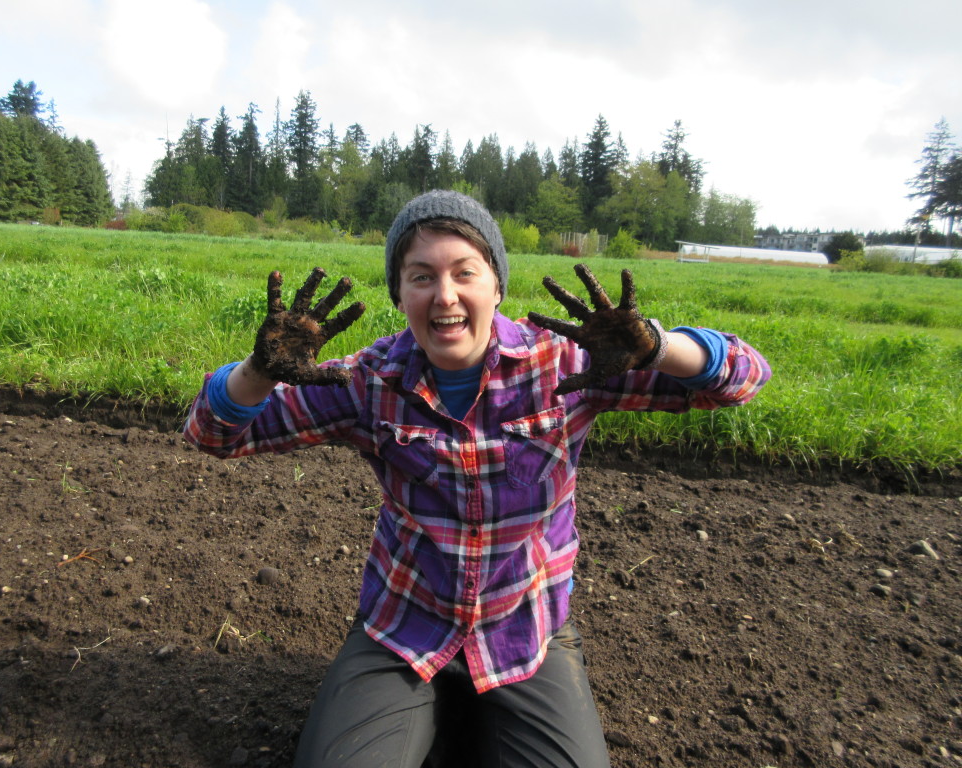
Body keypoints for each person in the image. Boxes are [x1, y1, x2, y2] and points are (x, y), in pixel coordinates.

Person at [183, 190, 771, 767]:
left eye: (466, 272)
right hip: (404, 625)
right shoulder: (368, 383)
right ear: (399, 293)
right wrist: (258, 373)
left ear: (496, 283)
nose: (446, 296)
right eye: (421, 276)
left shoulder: (565, 366)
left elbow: (744, 377)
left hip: (526, 629)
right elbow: (213, 434)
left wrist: (657, 348)